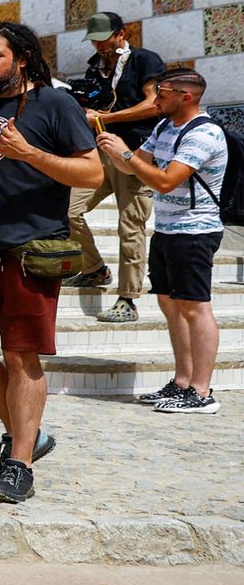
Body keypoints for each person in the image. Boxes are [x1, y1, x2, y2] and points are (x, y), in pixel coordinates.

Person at [0, 22, 103, 503]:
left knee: (20, 354)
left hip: (32, 250)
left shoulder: (55, 104)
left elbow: (91, 171)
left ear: (22, 58)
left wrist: (29, 153)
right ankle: (28, 433)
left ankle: (20, 462)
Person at [97, 68, 225, 413]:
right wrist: (114, 150)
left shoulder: (205, 133)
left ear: (186, 96)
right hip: (167, 229)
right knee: (170, 304)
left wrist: (125, 156)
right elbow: (135, 166)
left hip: (195, 232)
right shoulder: (165, 126)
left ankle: (201, 391)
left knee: (195, 307)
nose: (155, 101)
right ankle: (182, 381)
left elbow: (166, 181)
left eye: (162, 93)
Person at [67, 11, 165, 321]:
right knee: (66, 210)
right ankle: (94, 269)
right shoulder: (96, 67)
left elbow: (153, 104)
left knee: (130, 226)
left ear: (121, 34)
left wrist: (106, 118)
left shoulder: (145, 60)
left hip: (135, 153)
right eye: (94, 41)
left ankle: (128, 299)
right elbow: (94, 100)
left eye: (104, 39)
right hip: (101, 152)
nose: (99, 46)